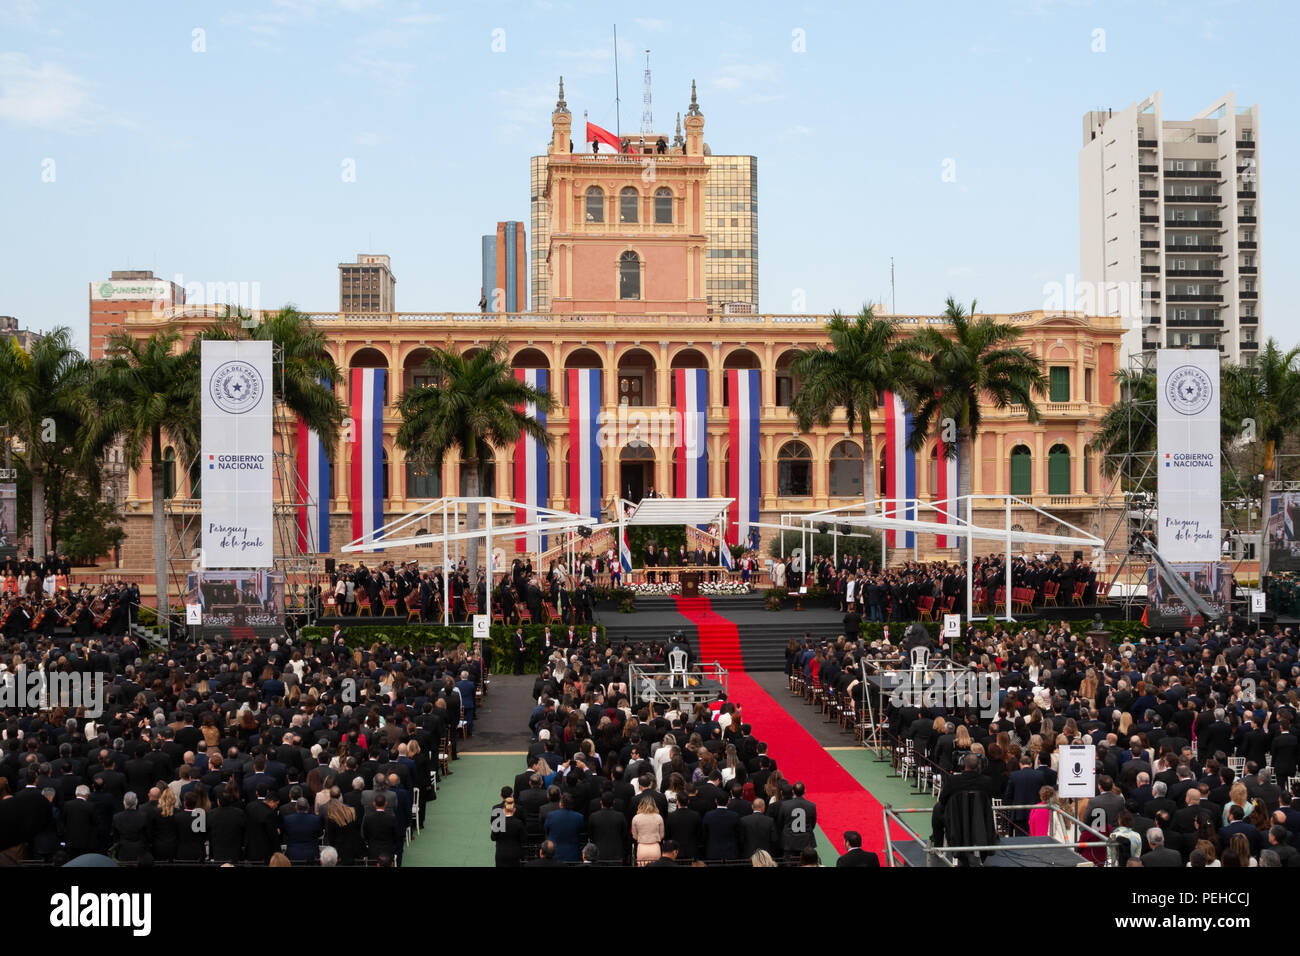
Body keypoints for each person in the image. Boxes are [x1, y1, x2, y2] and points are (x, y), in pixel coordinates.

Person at [631, 794, 664, 865]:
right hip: (655, 848)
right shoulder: (659, 817)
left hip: (642, 848)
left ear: (641, 805)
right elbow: (661, 835)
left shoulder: (636, 818)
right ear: (654, 805)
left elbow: (634, 836)